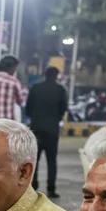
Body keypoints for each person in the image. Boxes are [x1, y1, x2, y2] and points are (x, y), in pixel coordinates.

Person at [25, 66, 68, 198]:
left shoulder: (35, 88)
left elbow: (28, 109)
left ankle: (33, 186)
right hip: (52, 129)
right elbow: (63, 109)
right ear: (56, 76)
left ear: (44, 74)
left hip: (36, 128)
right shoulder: (60, 90)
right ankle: (51, 189)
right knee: (52, 161)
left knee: (34, 160)